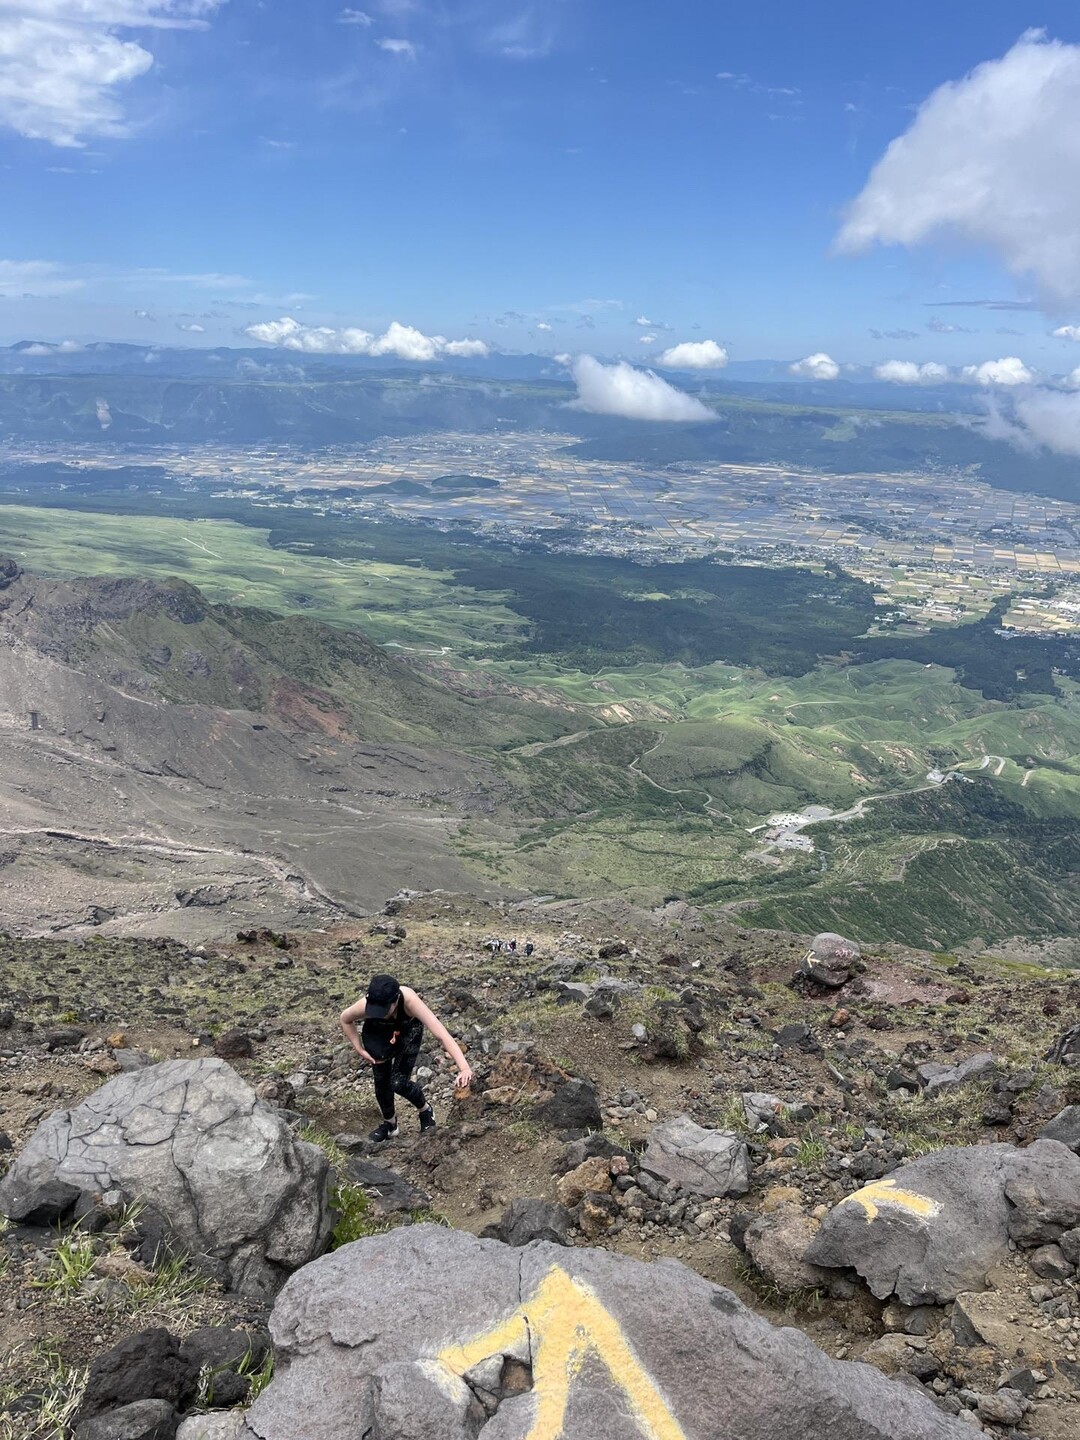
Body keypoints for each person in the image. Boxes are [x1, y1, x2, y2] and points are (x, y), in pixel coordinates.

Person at [340, 974, 472, 1143]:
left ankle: (425, 1110)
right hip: (378, 1030)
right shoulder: (368, 1005)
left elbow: (442, 1035)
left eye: (383, 1009)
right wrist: (358, 1047)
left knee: (398, 1081)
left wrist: (464, 1068)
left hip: (409, 1030)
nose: (379, 1012)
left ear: (395, 1000)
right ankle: (390, 1124)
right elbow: (345, 1019)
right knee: (381, 1078)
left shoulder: (410, 1001)